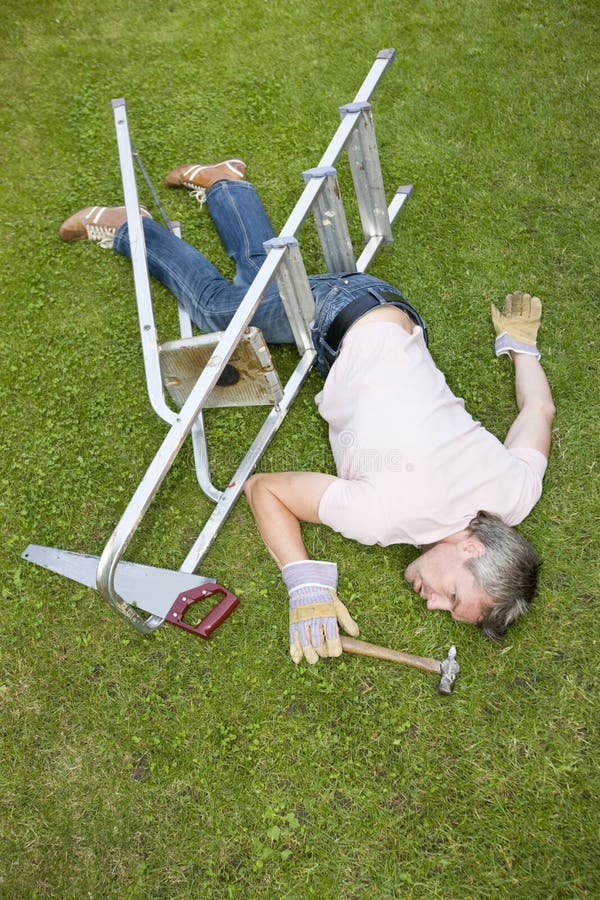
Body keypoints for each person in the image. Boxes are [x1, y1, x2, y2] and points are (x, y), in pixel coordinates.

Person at [59, 158, 555, 664]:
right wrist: (302, 582)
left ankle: (226, 182)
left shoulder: (513, 498)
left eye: (447, 611)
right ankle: (129, 227)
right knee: (218, 308)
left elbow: (539, 408)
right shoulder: (384, 517)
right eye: (451, 596)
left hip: (390, 313)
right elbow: (265, 489)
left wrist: (520, 346)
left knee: (260, 280)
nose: (431, 604)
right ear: (472, 550)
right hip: (332, 317)